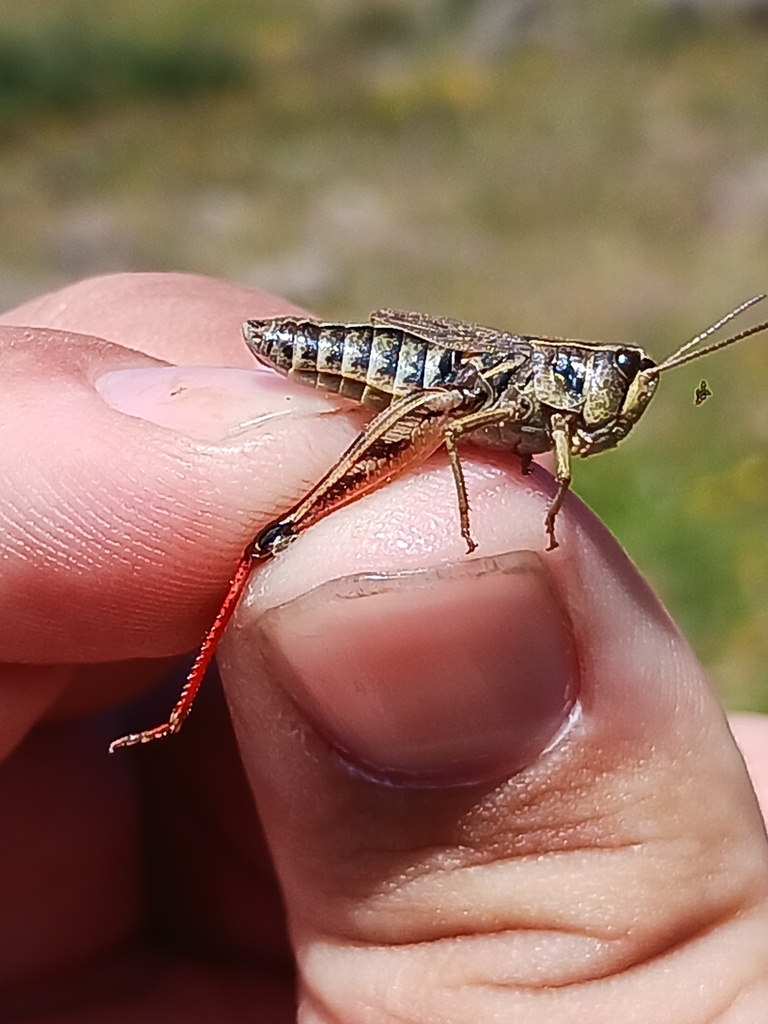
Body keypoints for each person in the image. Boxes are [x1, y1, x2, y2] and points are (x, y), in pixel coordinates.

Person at [0, 273, 765, 1022]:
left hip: (439, 390)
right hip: (419, 386)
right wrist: (468, 522)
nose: (625, 399)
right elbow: (464, 430)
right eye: (623, 380)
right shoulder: (526, 391)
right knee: (278, 536)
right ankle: (172, 718)